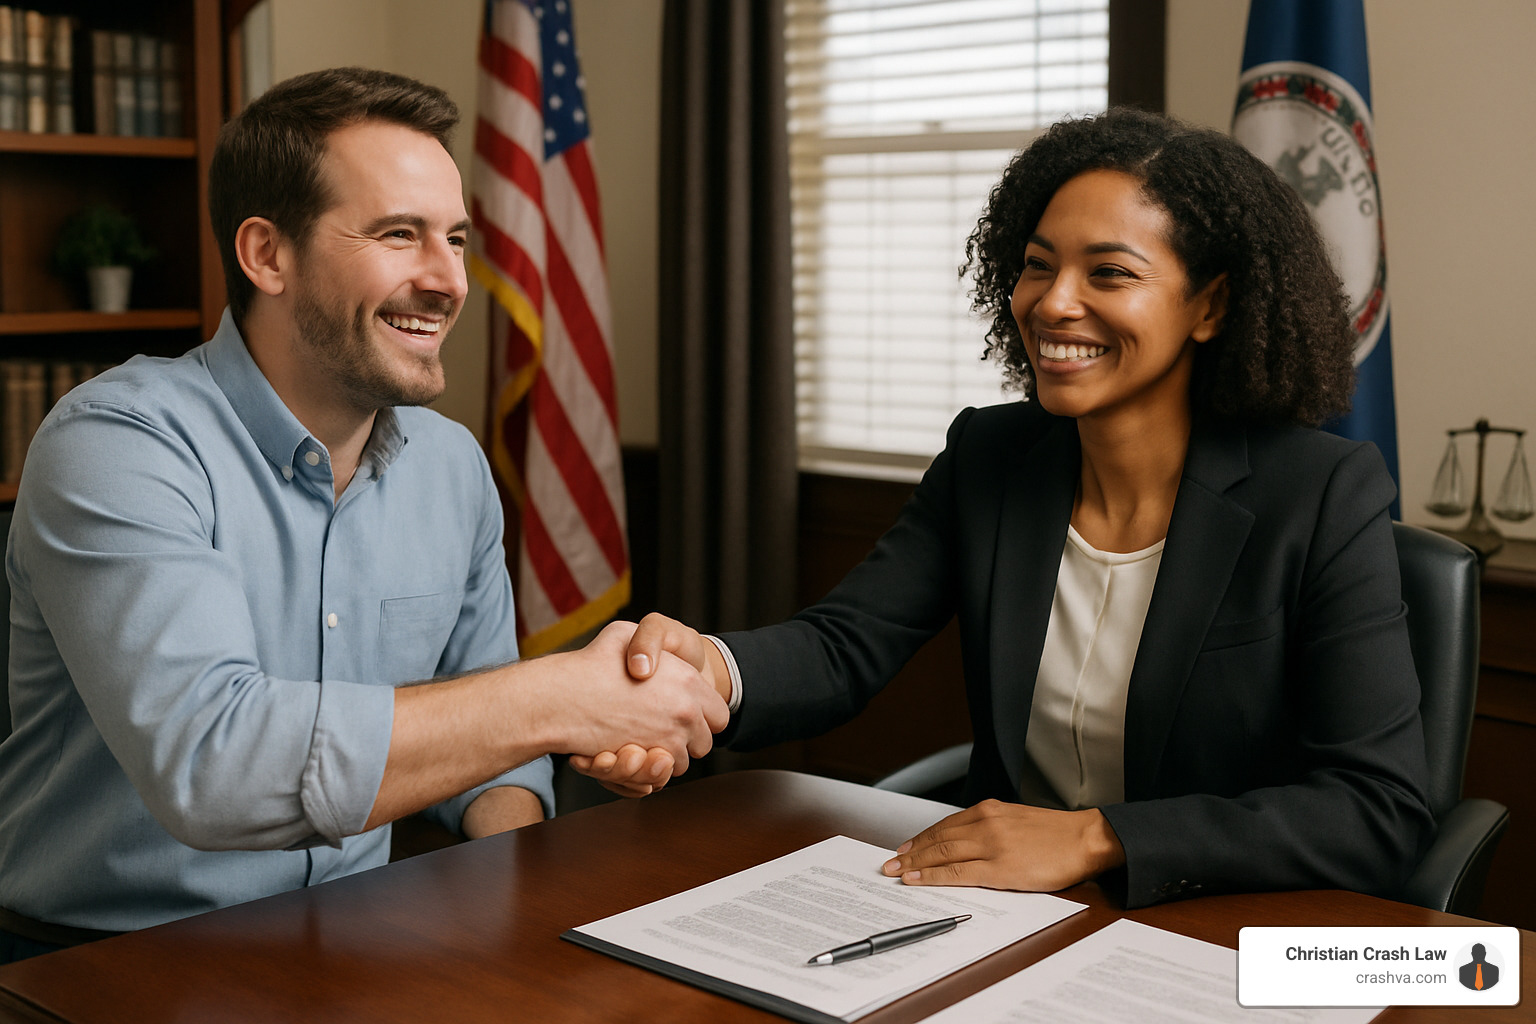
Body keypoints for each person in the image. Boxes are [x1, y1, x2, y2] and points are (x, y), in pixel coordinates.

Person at [578, 108, 1434, 907]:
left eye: (1109, 272)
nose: (1053, 302)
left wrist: (1097, 838)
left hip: (1209, 920)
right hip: (1000, 912)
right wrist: (705, 670)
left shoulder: (1320, 493)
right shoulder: (990, 457)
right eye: (1038, 264)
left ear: (1208, 306)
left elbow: (1378, 808)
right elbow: (844, 646)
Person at [0, 67, 725, 962]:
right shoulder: (116, 444)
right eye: (399, 234)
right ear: (267, 255)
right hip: (93, 962)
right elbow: (212, 765)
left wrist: (530, 892)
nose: (450, 280)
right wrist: (562, 699)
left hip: (356, 942)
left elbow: (492, 752)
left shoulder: (452, 466)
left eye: (456, 239)